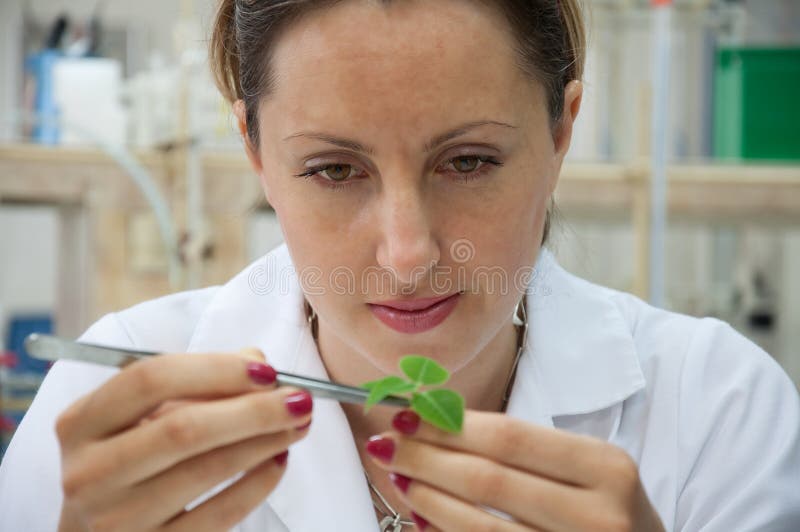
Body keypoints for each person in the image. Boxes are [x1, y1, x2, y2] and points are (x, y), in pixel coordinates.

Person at [2, 0, 799, 530]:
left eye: (470, 161)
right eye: (335, 170)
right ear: (254, 150)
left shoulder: (714, 409)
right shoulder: (112, 397)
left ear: (562, 131)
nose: (407, 253)